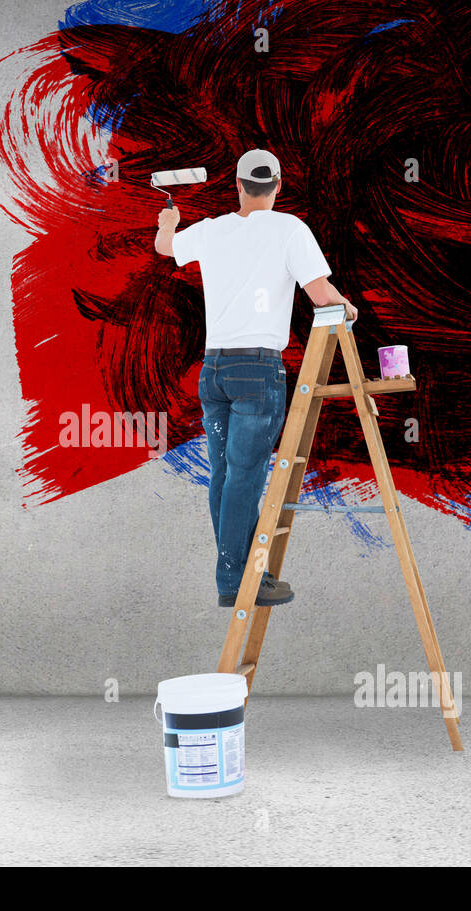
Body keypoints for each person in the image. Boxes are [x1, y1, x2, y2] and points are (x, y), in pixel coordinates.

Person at [154, 149, 359, 607]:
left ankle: (244, 573)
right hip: (257, 371)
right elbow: (319, 292)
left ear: (239, 186)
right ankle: (235, 580)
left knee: (225, 475)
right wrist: (347, 306)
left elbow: (166, 249)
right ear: (279, 186)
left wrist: (169, 224)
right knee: (244, 476)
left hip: (215, 370)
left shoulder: (211, 231)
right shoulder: (290, 230)